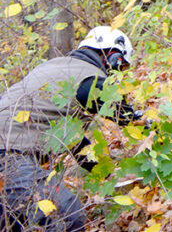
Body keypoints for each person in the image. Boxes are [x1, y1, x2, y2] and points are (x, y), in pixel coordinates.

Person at [0, 26, 144, 231]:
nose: (118, 74)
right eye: (120, 67)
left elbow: (74, 142)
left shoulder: (56, 69)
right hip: (8, 157)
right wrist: (158, 127)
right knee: (65, 214)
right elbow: (128, 116)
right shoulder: (89, 79)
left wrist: (106, 175)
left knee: (14, 222)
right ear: (112, 57)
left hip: (8, 155)